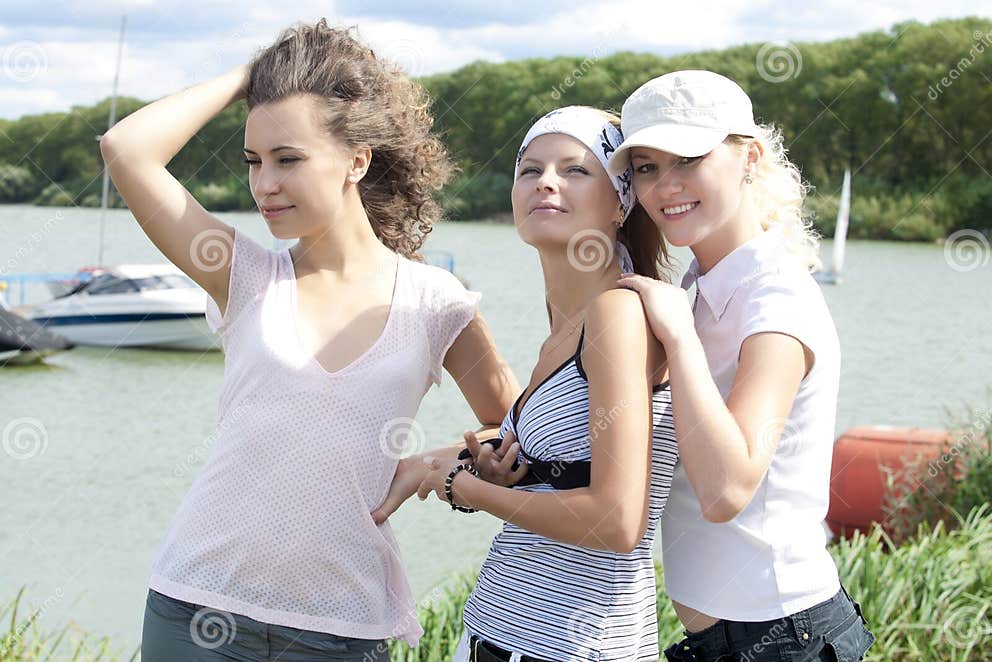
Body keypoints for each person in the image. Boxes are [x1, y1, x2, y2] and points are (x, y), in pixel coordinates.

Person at [101, 20, 518, 661]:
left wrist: (437, 463)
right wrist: (256, 73)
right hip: (195, 611)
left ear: (357, 159)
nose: (264, 184)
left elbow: (517, 425)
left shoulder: (436, 300)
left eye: (287, 159)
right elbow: (127, 149)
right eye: (253, 161)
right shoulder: (242, 274)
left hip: (342, 630)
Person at [610, 70, 875, 661]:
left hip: (781, 637)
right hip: (730, 639)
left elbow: (727, 488)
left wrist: (678, 338)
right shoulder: (703, 283)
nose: (665, 185)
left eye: (687, 158)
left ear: (750, 156)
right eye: (646, 166)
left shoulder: (774, 299)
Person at [416, 106, 679, 662]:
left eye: (575, 170)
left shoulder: (617, 314)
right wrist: (508, 474)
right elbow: (576, 474)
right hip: (500, 631)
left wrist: (471, 492)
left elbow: (618, 520)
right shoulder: (566, 325)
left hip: (571, 645)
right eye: (529, 170)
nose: (546, 182)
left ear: (621, 201)